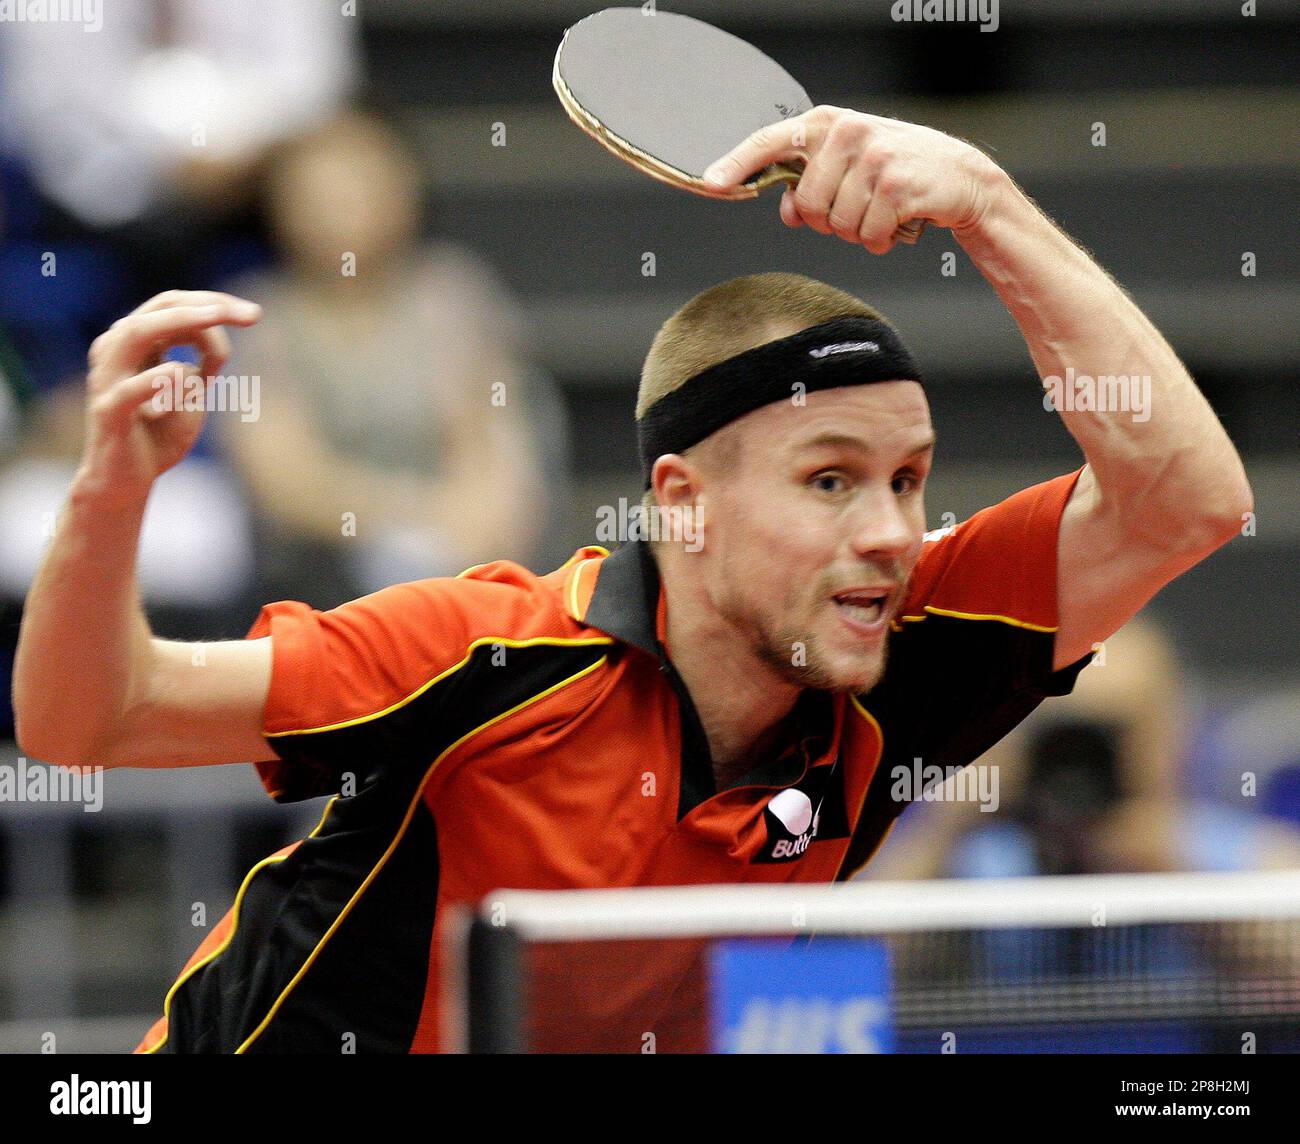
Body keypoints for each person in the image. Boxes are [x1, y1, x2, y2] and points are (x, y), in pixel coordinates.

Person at [12, 106, 1252, 1053]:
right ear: (682, 503)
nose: (889, 528)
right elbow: (89, 718)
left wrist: (986, 205)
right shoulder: (486, 655)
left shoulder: (902, 649)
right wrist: (113, 496)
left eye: (909, 478)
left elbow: (1187, 499)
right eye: (829, 479)